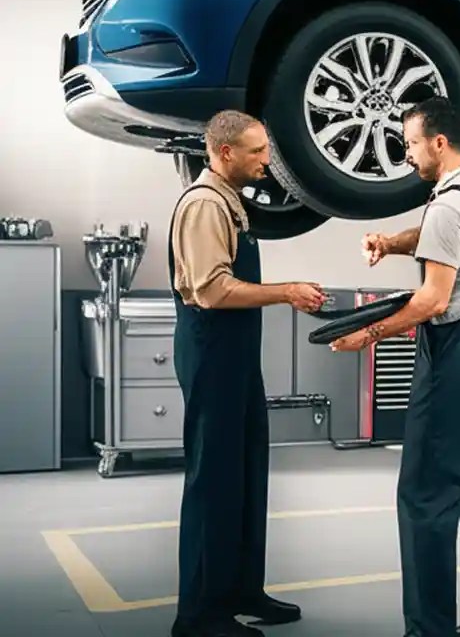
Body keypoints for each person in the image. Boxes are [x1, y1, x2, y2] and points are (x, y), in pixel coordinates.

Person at [330, 96, 460, 637]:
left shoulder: (444, 205)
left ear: (438, 142)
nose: (407, 152)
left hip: (453, 357)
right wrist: (391, 242)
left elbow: (432, 301)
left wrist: (365, 335)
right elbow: (444, 240)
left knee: (425, 497)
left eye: (411, 142)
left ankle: (428, 630)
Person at [168, 110, 326, 637]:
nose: (267, 160)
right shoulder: (204, 205)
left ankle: (239, 589)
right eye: (258, 152)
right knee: (212, 480)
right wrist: (285, 291)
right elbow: (212, 291)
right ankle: (198, 615)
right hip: (213, 355)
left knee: (245, 471)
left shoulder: (232, 202)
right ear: (225, 152)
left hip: (235, 357)